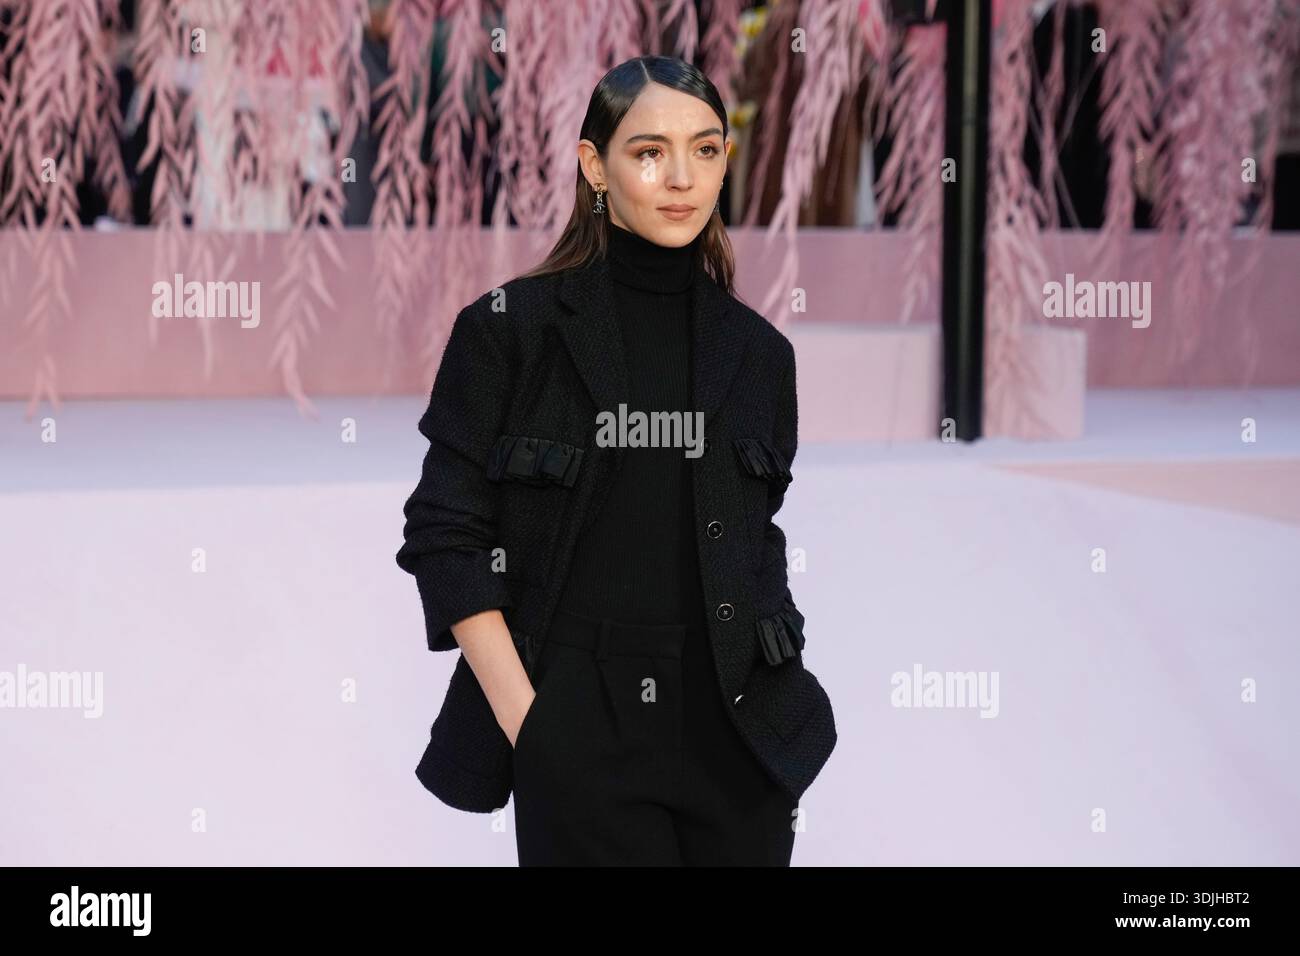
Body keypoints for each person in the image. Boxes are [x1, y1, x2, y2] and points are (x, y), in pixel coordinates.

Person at [396, 55, 836, 866]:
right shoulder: (509, 331)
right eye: (648, 151)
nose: (681, 177)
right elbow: (444, 534)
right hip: (578, 727)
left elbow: (749, 537)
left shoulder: (761, 354)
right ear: (594, 164)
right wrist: (535, 725)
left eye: (705, 150)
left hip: (740, 742)